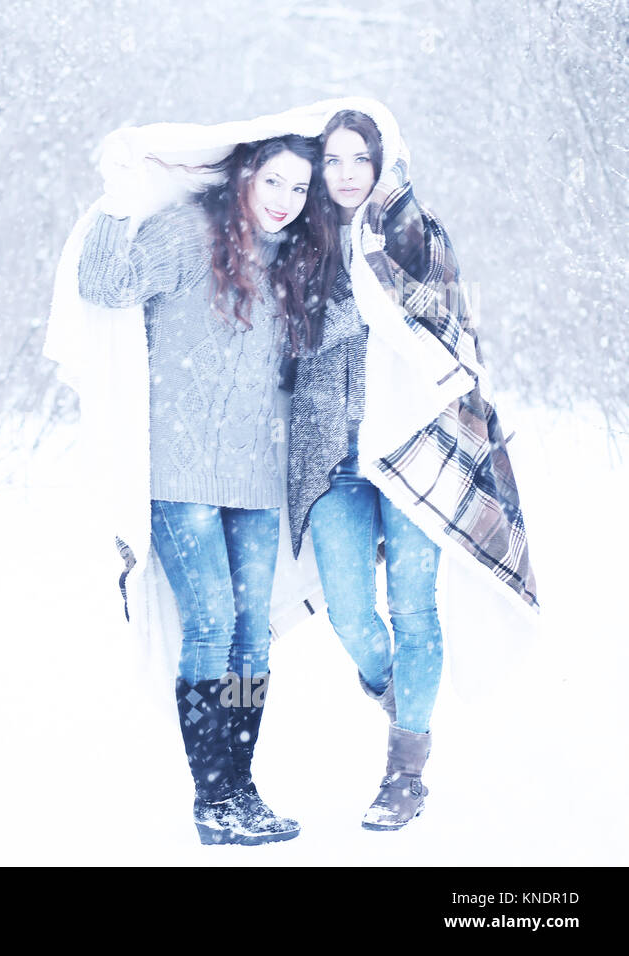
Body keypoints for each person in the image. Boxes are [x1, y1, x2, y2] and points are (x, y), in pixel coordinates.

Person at [77, 134, 332, 845]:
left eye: (298, 189)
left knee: (253, 637)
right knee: (213, 624)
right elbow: (105, 285)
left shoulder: (296, 262)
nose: (284, 201)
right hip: (180, 471)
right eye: (273, 181)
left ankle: (241, 787)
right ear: (245, 173)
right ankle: (212, 798)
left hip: (255, 475)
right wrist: (115, 202)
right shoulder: (189, 232)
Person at [287, 108, 537, 830]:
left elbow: (445, 329)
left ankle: (405, 772)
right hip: (329, 452)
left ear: (382, 160)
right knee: (349, 612)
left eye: (357, 159)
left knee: (416, 612)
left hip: (412, 448)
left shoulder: (413, 233)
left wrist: (368, 292)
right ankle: (399, 695)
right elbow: (294, 332)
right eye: (331, 159)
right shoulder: (302, 239)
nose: (343, 174)